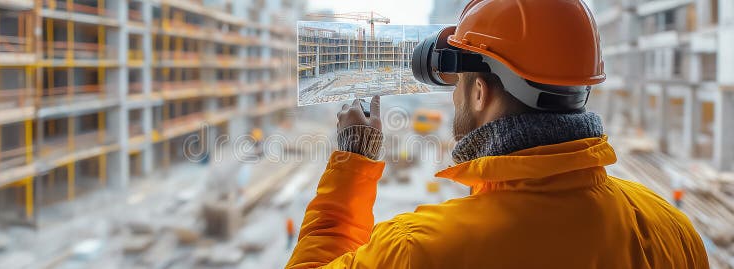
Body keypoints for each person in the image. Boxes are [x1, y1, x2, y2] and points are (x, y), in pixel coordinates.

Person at [285, 0, 708, 268]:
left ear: (481, 92)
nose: (454, 98)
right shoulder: (671, 230)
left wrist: (353, 163)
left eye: (458, 84)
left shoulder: (420, 251)